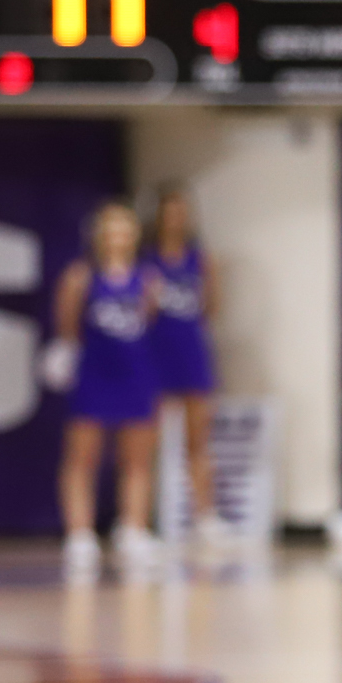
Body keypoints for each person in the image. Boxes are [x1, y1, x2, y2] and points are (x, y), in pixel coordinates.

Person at [51, 201, 162, 575]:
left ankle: (133, 528)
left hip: (135, 373)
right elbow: (68, 328)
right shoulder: (80, 277)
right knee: (82, 458)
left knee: (137, 459)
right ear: (99, 236)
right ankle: (80, 534)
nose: (119, 237)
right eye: (111, 229)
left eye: (125, 229)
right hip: (95, 372)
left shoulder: (148, 280)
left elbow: (149, 323)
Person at [144, 184, 225, 548]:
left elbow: (212, 306)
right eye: (170, 211)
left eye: (183, 211)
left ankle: (205, 517)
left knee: (198, 441)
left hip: (191, 351)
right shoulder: (145, 262)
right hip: (154, 355)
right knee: (148, 441)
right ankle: (143, 521)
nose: (177, 218)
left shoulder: (200, 259)